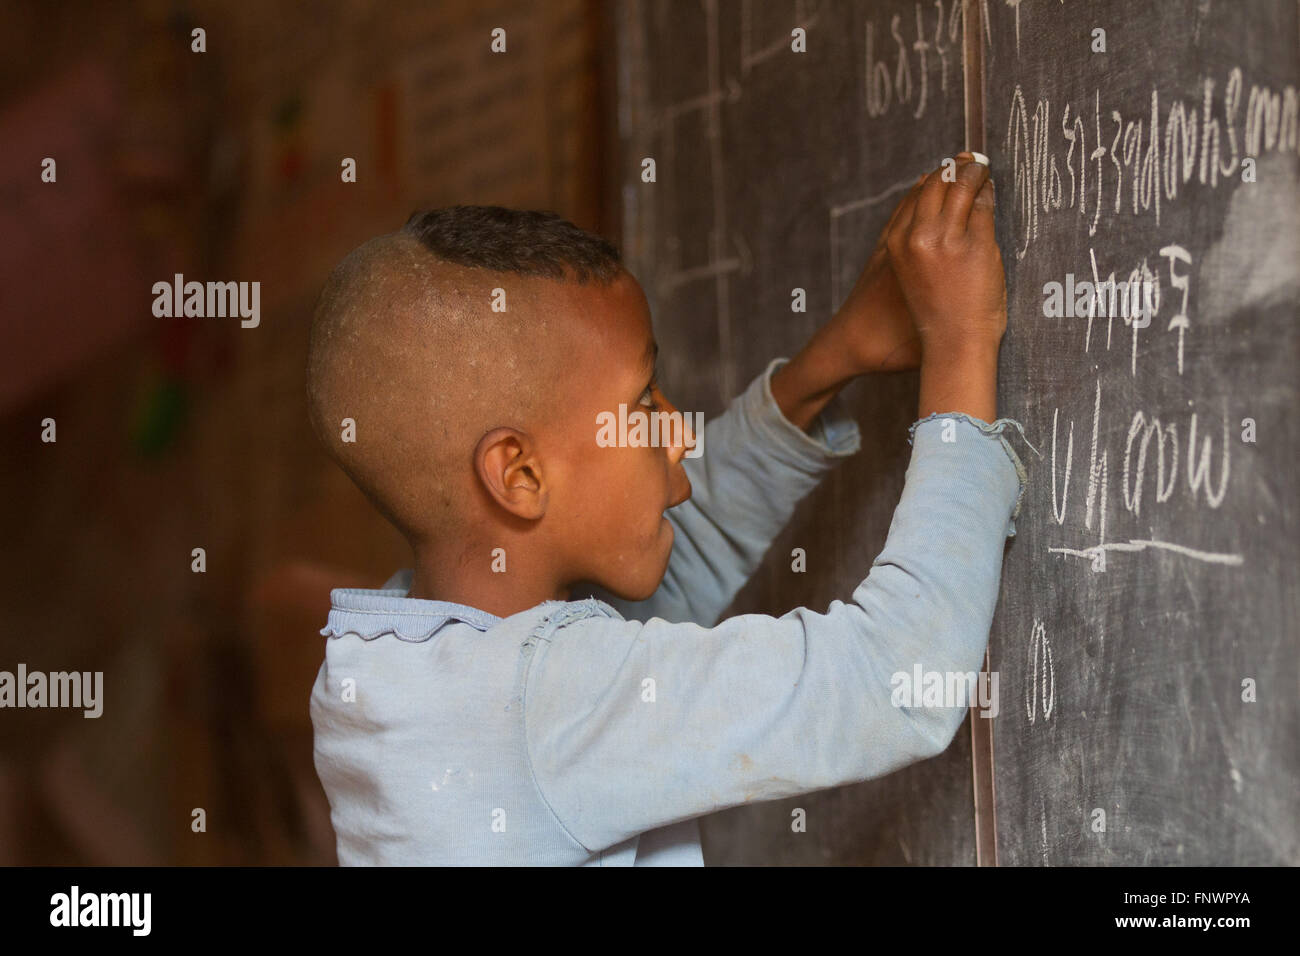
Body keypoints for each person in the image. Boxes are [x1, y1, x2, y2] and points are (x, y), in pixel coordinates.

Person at [306, 153, 1026, 865]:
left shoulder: (387, 675)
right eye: (643, 401)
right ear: (519, 473)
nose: (678, 429)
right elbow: (894, 680)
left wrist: (827, 365)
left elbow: (670, 572)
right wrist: (960, 346)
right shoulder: (549, 706)